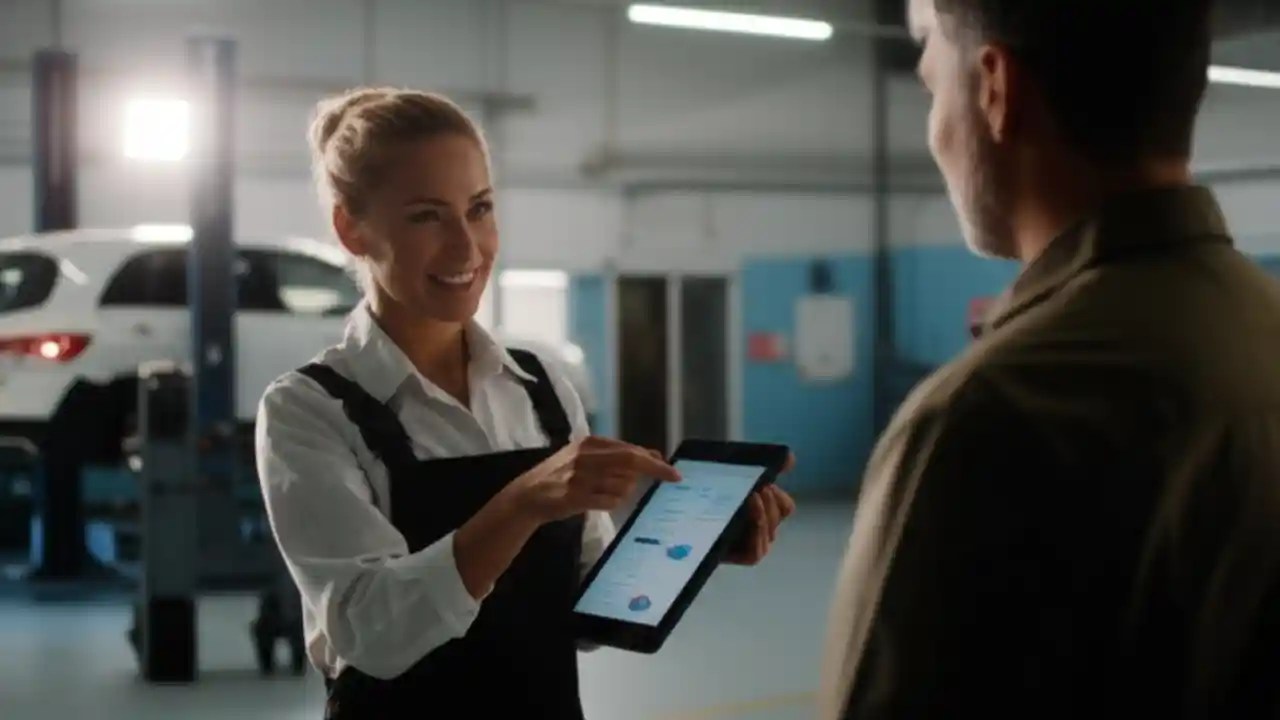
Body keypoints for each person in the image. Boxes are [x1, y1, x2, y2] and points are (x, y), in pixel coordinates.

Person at [256, 87, 796, 719]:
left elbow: (586, 610)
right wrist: (521, 503)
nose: (467, 247)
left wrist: (692, 552)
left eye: (479, 209)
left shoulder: (540, 388)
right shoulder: (309, 411)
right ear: (351, 228)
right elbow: (373, 633)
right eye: (427, 216)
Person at [819, 1, 1280, 718]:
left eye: (935, 85)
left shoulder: (994, 412)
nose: (937, 131)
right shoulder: (1261, 329)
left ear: (996, 89)